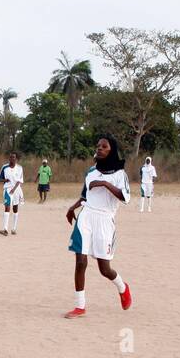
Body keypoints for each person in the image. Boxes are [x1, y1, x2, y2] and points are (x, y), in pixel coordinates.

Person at [64, 136, 132, 318]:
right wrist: (73, 207)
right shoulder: (91, 172)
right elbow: (86, 195)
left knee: (104, 269)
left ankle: (122, 287)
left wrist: (105, 183)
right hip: (86, 216)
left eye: (104, 146)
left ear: (112, 150)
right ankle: (80, 306)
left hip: (105, 219)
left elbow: (125, 198)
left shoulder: (119, 174)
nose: (100, 148)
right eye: (98, 146)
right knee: (80, 262)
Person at [0, 151, 24, 235]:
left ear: (16, 159)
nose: (11, 159)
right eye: (10, 157)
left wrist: (14, 189)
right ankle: (5, 229)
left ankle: (13, 228)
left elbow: (19, 181)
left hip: (17, 190)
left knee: (15, 209)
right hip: (7, 190)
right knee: (7, 207)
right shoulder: (4, 167)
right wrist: (5, 180)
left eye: (13, 157)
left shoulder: (20, 168)